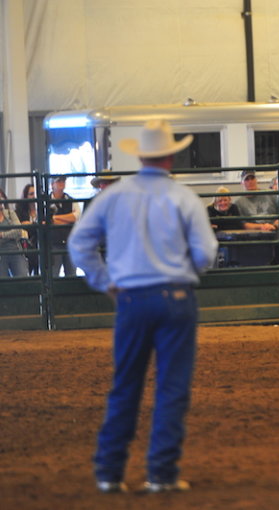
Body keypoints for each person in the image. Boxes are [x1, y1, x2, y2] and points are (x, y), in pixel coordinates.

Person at [68, 119, 218, 494]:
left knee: (126, 384)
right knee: (172, 387)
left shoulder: (114, 196)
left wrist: (105, 281)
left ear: (141, 157)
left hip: (131, 299)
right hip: (176, 298)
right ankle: (162, 474)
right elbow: (206, 253)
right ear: (170, 157)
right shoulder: (184, 197)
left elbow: (79, 244)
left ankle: (109, 473)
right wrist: (181, 268)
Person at [48, 175, 81, 277]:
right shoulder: (45, 201)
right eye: (58, 181)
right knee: (53, 274)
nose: (61, 183)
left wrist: (55, 218)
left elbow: (77, 216)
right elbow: (45, 220)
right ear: (52, 185)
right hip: (53, 243)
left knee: (71, 274)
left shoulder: (71, 199)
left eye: (63, 181)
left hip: (70, 242)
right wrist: (68, 219)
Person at [0, 187, 29, 277]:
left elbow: (18, 230)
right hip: (1, 254)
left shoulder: (10, 213)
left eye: (1, 197)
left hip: (16, 251)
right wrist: (11, 234)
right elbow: (15, 231)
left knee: (23, 279)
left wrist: (2, 235)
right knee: (3, 283)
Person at [15, 184, 39, 275]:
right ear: (26, 196)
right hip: (25, 246)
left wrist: (30, 225)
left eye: (35, 193)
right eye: (31, 194)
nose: (34, 196)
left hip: (40, 244)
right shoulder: (20, 211)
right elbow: (18, 226)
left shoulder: (42, 209)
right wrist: (34, 226)